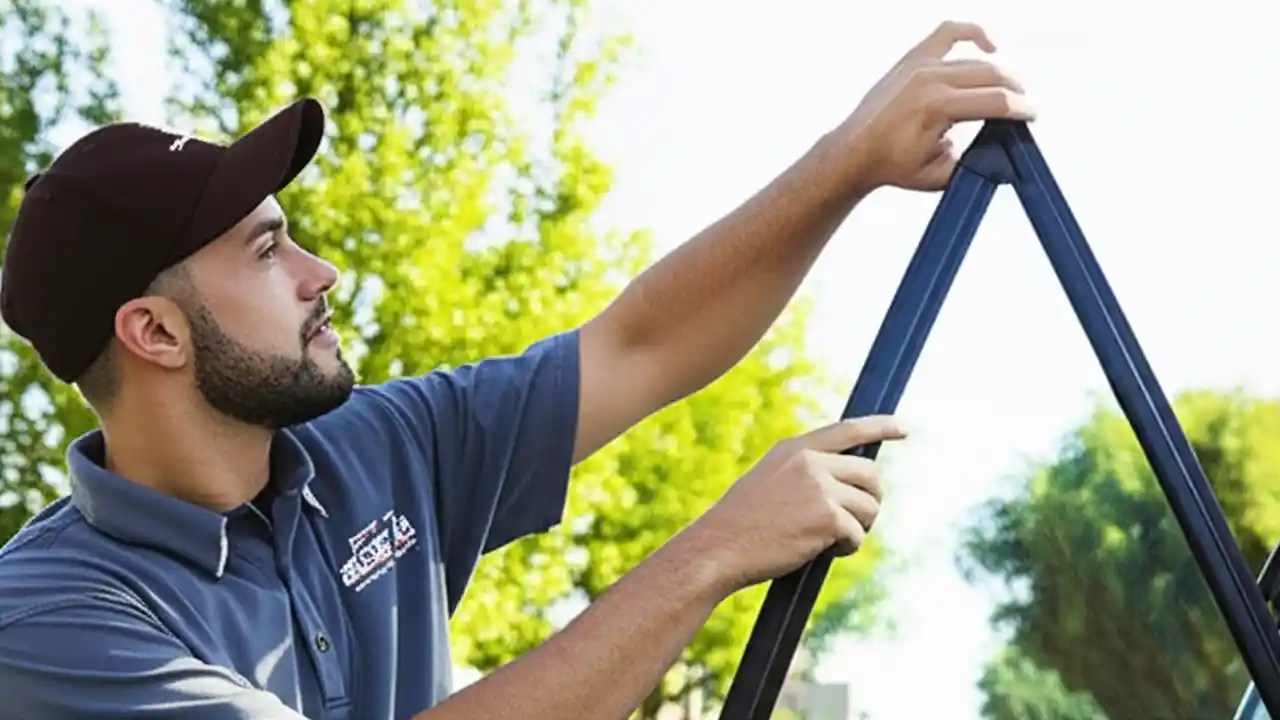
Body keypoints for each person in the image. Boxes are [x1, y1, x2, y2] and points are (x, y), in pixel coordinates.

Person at [0, 20, 1032, 720]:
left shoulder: (374, 447)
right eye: (268, 252)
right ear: (157, 335)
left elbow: (639, 344)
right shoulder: (48, 617)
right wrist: (709, 555)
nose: (324, 273)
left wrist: (846, 160)